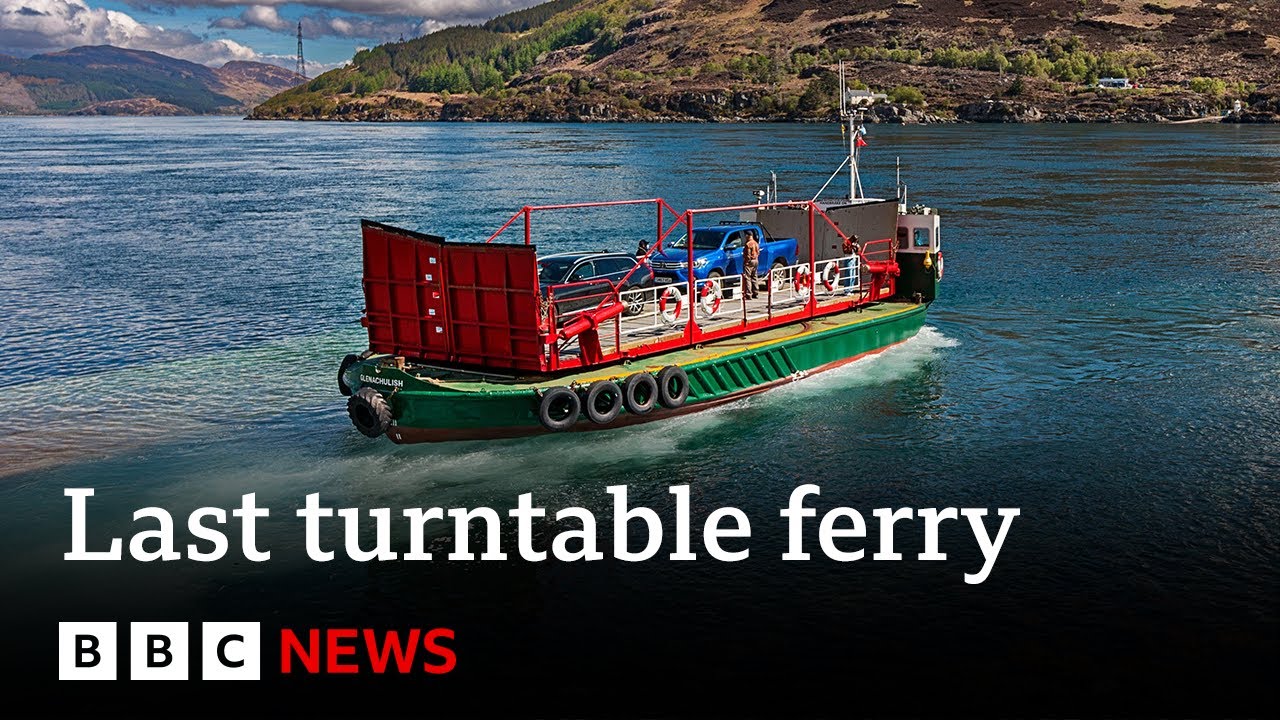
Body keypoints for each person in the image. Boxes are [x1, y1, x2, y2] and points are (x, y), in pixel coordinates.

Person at [742, 230, 761, 300]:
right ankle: (756, 293)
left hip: (750, 261)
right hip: (756, 260)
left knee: (747, 278)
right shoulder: (756, 243)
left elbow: (748, 254)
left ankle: (748, 294)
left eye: (746, 235)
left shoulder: (748, 244)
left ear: (748, 235)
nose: (745, 237)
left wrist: (747, 262)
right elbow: (758, 252)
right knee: (754, 277)